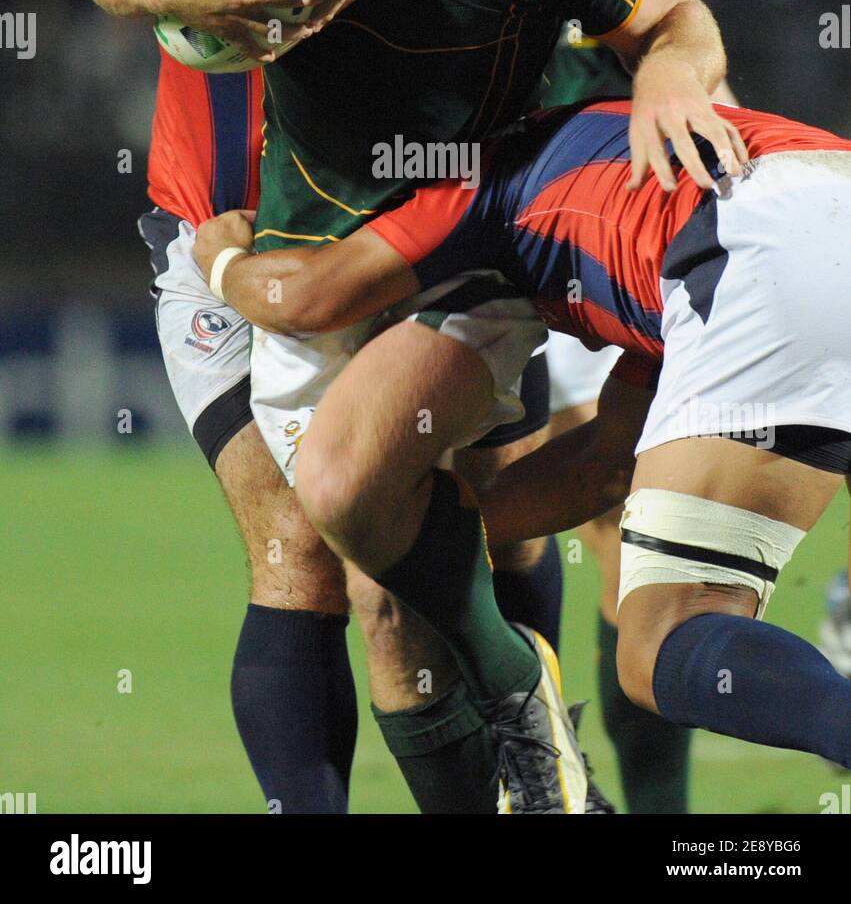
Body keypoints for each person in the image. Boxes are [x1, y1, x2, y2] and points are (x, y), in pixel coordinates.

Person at [75, 0, 728, 812]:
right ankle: (525, 729)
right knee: (345, 567)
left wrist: (658, 48)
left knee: (376, 525)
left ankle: (537, 739)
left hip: (455, 244)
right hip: (255, 227)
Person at [193, 96, 851, 785]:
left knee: (665, 636)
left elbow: (302, 302)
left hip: (759, 250)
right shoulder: (616, 155)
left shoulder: (473, 178)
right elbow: (601, 468)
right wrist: (414, 543)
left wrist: (222, 263)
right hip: (807, 196)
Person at [511, 0, 694, 812]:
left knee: (613, 517)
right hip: (481, 245)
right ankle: (541, 768)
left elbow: (673, 38)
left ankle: (630, 803)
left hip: (589, 243)